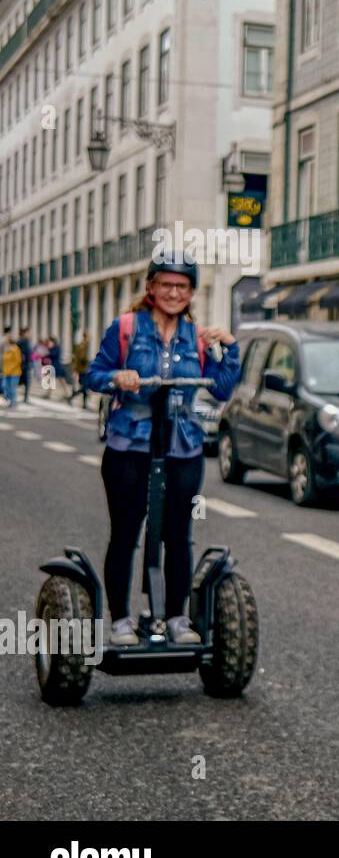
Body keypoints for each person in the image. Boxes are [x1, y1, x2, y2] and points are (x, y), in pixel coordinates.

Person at [83, 251, 242, 647]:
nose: (174, 292)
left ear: (191, 293)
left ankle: (175, 617)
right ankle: (120, 620)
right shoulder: (125, 329)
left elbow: (221, 388)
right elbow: (93, 375)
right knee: (126, 532)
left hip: (181, 448)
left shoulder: (197, 338)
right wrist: (118, 377)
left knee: (178, 533)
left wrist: (230, 348)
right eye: (166, 284)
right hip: (129, 445)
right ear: (151, 288)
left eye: (182, 286)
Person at [69, 331, 91, 408]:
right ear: (86, 337)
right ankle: (72, 396)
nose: (90, 338)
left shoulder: (82, 345)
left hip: (81, 369)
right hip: (83, 369)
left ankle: (84, 404)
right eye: (89, 336)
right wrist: (87, 362)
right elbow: (82, 358)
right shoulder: (84, 345)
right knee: (85, 386)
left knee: (85, 387)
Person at [1, 327, 21, 407]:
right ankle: (9, 399)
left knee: (12, 388)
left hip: (14, 372)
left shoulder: (15, 349)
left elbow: (18, 361)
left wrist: (11, 368)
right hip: (6, 372)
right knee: (4, 386)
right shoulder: (7, 350)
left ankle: (13, 402)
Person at [17, 326, 31, 402]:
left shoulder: (24, 341)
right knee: (23, 381)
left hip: (25, 365)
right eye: (28, 333)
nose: (30, 334)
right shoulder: (22, 342)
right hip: (23, 365)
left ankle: (26, 397)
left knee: (25, 382)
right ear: (24, 333)